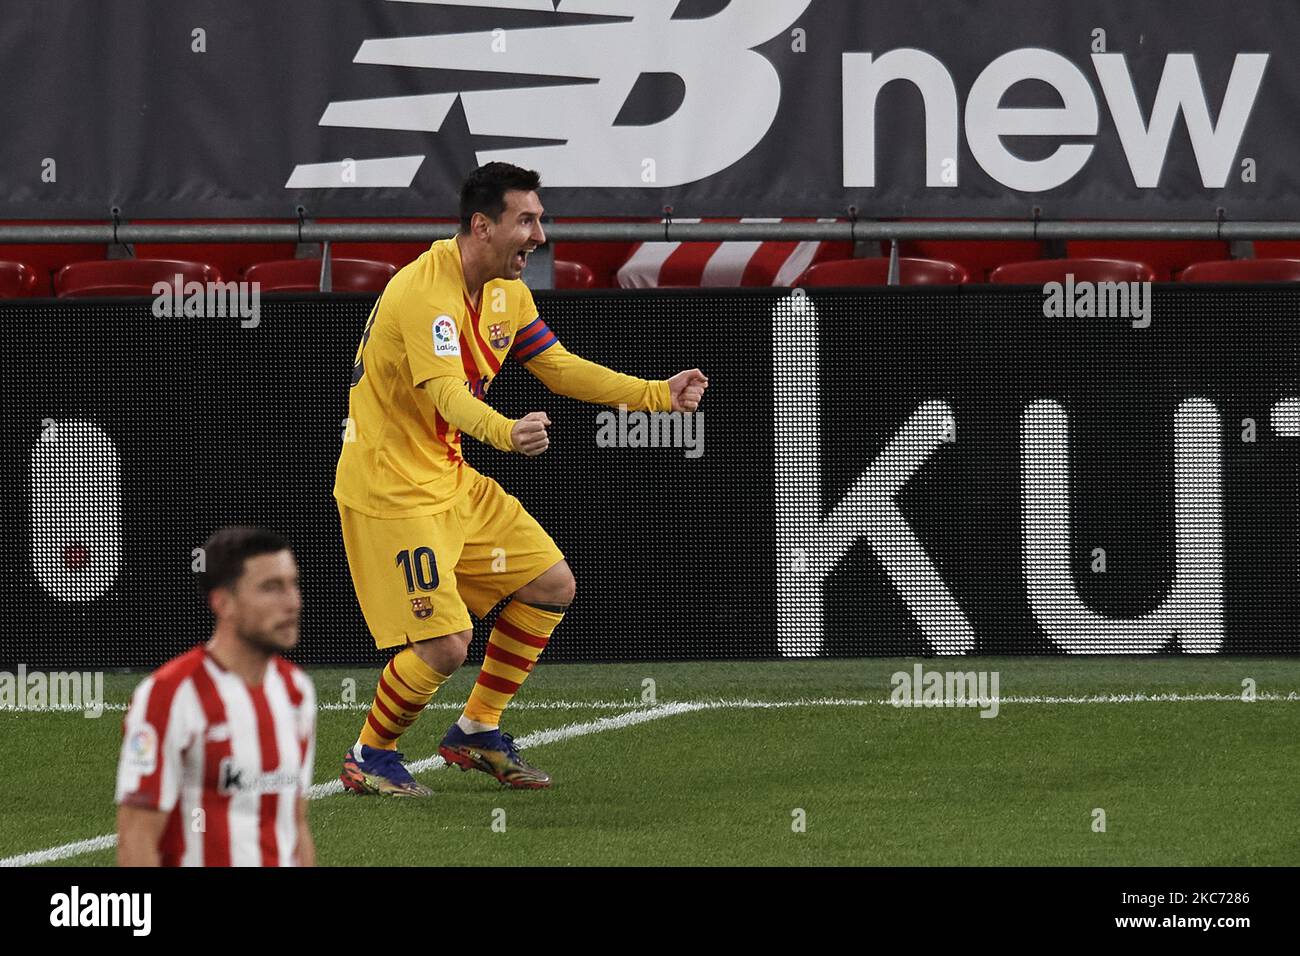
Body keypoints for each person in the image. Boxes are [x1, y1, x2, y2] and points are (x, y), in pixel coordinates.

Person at [334, 161, 708, 794]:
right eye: (526, 220)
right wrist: (507, 433)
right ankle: (369, 754)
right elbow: (449, 397)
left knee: (549, 583)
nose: (540, 235)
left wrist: (655, 395)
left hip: (449, 477)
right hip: (391, 488)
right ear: (482, 226)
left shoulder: (509, 292)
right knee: (448, 643)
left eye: (540, 218)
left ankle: (476, 730)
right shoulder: (426, 293)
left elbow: (557, 366)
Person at [115, 526, 317, 866]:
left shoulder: (296, 691)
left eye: (293, 584)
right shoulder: (170, 694)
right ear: (223, 603)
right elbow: (137, 836)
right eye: (271, 588)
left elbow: (294, 824)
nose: (292, 602)